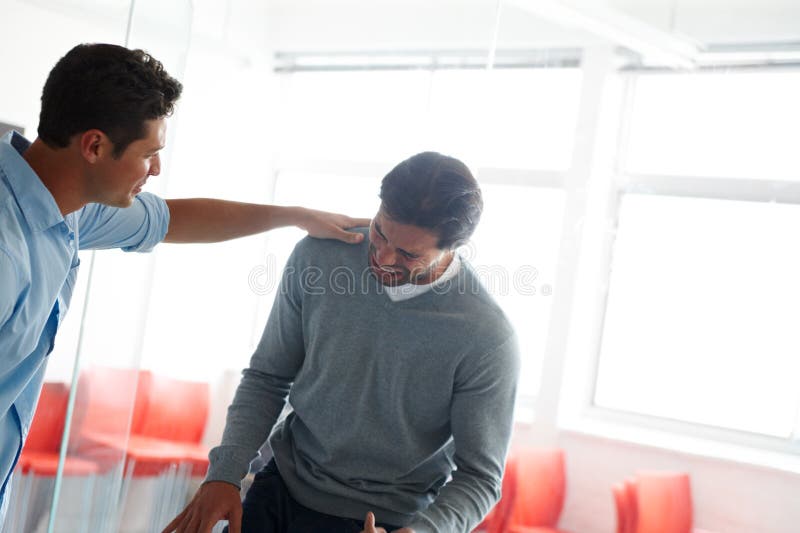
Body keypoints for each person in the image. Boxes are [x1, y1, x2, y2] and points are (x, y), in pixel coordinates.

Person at [0, 43, 370, 521]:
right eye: (149, 154)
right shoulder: (8, 249)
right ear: (94, 146)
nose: (155, 169)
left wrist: (296, 215)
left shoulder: (65, 205)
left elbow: (172, 219)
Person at [164, 152, 520, 533]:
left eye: (408, 254)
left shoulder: (486, 337)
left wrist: (422, 532)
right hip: (279, 491)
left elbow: (480, 477)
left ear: (454, 247)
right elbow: (268, 377)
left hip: (383, 521)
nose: (383, 257)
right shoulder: (319, 257)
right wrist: (224, 474)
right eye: (380, 231)